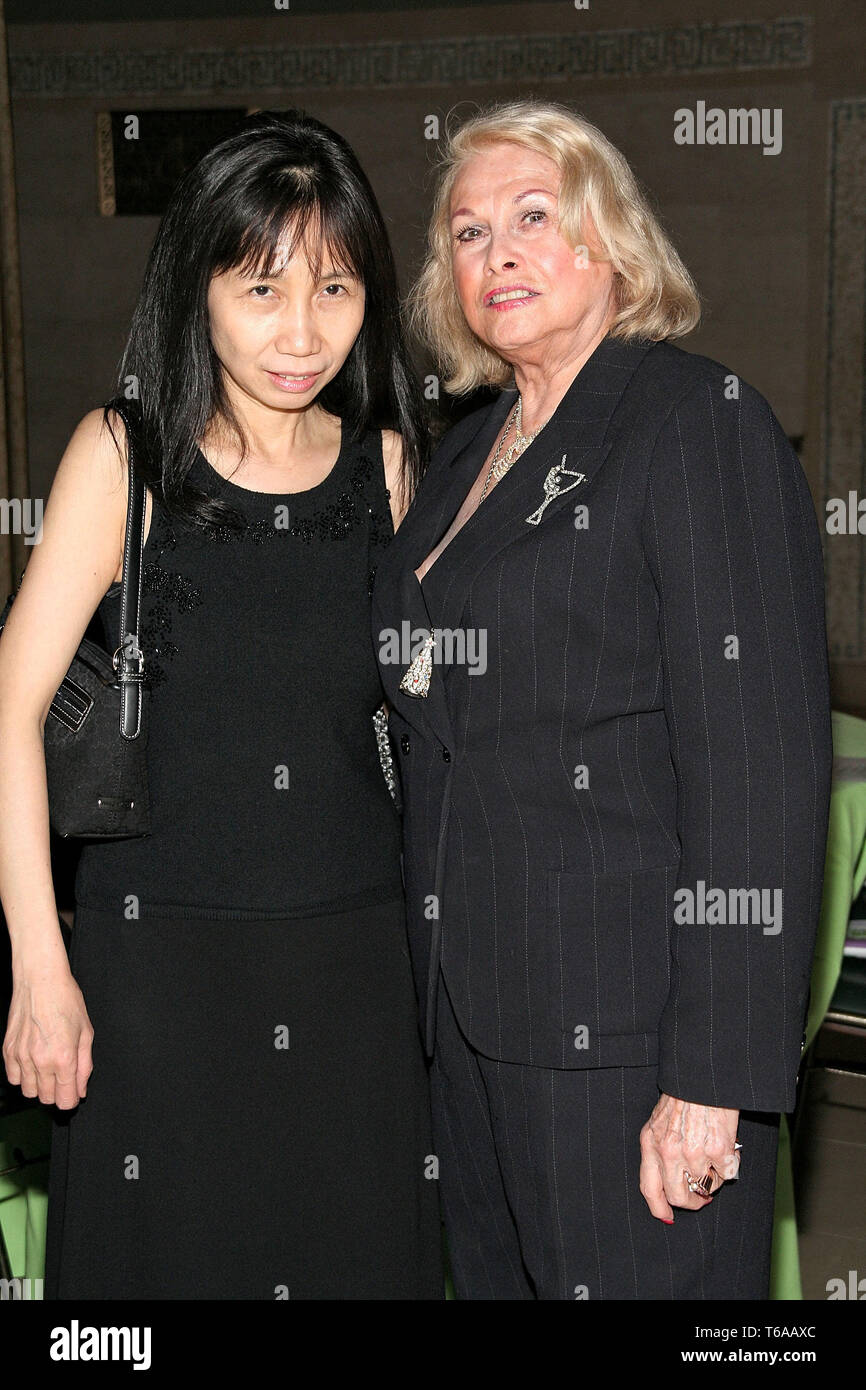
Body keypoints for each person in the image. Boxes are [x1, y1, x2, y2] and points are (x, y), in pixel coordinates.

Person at [371, 99, 833, 1300]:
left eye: (534, 216)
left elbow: (758, 767)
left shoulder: (692, 422)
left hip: (630, 1038)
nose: (497, 251)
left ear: (613, 244)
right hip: (470, 1016)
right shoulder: (468, 449)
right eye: (466, 234)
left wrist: (714, 1075)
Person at [0, 109, 443, 1300]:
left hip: (355, 964)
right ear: (196, 286)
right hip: (160, 971)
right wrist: (42, 967)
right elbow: (11, 705)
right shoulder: (123, 458)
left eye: (337, 289)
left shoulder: (388, 468)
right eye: (261, 290)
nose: (303, 332)